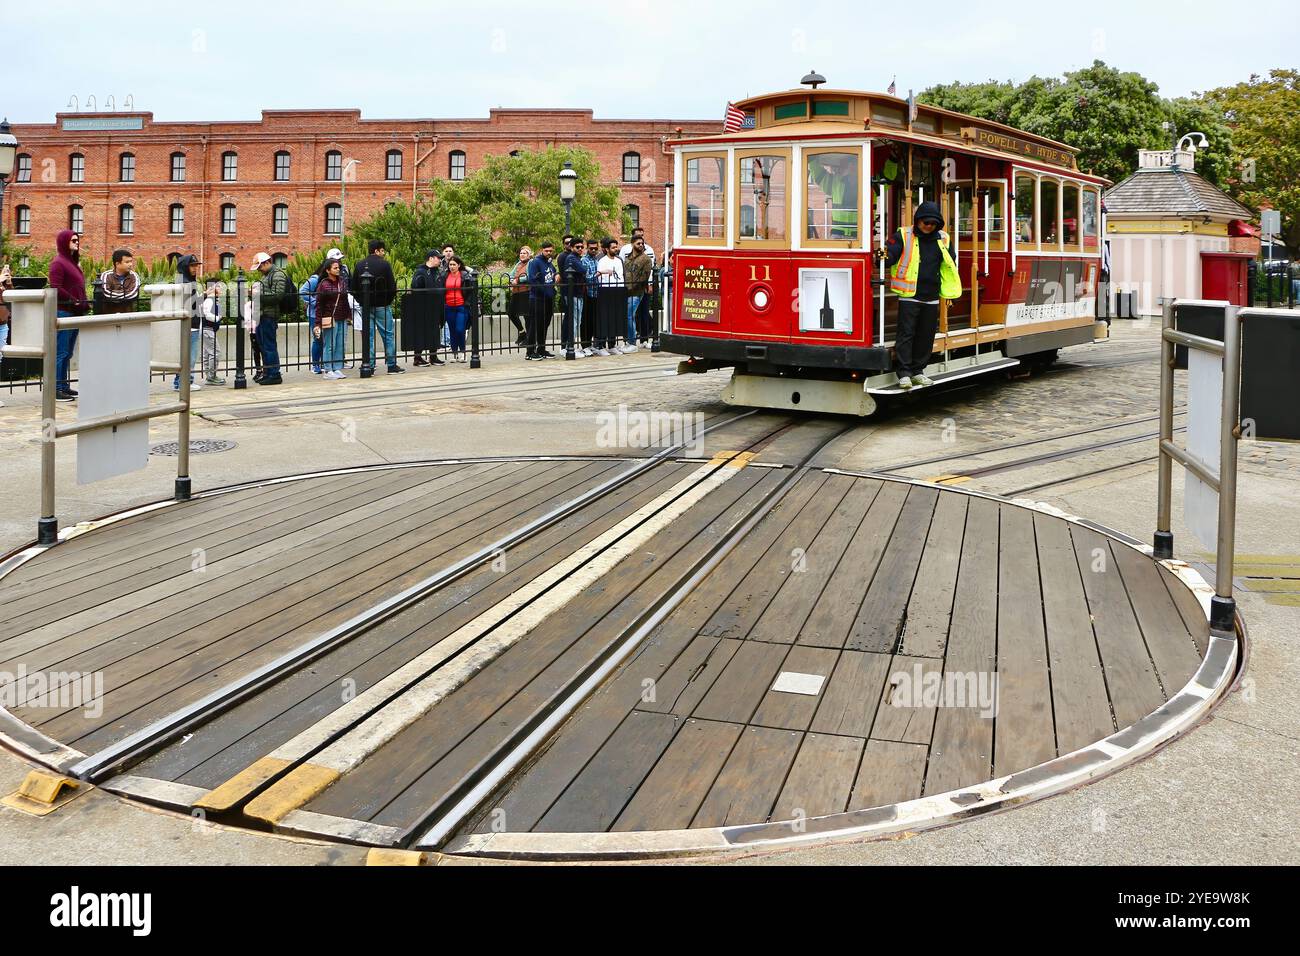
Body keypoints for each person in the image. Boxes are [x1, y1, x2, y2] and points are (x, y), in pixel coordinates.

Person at [880, 200, 962, 389]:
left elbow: (950, 265)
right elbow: (890, 252)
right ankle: (904, 373)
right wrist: (884, 257)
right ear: (918, 221)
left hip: (932, 295)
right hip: (909, 294)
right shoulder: (903, 234)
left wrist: (951, 292)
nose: (929, 226)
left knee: (926, 336)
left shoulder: (943, 238)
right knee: (906, 334)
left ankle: (918, 371)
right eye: (926, 222)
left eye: (933, 223)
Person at [48, 229, 88, 401]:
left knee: (68, 353)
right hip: (64, 311)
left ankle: (64, 385)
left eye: (77, 240)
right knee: (61, 352)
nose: (76, 242)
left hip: (74, 312)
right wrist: (73, 300)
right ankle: (57, 388)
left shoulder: (72, 262)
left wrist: (82, 302)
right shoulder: (58, 262)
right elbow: (55, 286)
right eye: (73, 240)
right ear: (64, 242)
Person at [354, 239, 401, 373]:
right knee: (388, 335)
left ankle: (369, 365)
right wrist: (387, 301)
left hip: (366, 306)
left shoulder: (359, 265)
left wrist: (362, 301)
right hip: (382, 305)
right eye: (382, 251)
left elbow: (353, 288)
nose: (384, 253)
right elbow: (392, 287)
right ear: (377, 251)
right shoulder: (384, 265)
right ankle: (391, 365)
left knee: (368, 336)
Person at [250, 252, 287, 385]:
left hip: (268, 315)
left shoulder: (277, 274)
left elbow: (278, 296)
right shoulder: (268, 275)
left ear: (267, 263)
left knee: (269, 346)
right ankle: (268, 373)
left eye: (260, 267)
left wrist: (257, 294)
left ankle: (274, 374)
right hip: (262, 314)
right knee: (264, 345)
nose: (259, 270)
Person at [314, 258, 351, 379]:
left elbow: (345, 300)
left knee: (340, 344)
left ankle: (337, 367)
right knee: (329, 344)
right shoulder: (323, 284)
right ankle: (328, 369)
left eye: (338, 267)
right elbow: (319, 305)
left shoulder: (342, 282)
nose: (338, 270)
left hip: (342, 316)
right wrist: (318, 323)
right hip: (330, 317)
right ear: (328, 270)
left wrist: (349, 315)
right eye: (335, 268)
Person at [172, 253, 204, 391]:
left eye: (196, 265)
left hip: (190, 323)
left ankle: (180, 382)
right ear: (185, 266)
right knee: (189, 356)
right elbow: (190, 304)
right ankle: (184, 383)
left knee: (186, 355)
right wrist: (207, 294)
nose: (195, 268)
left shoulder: (185, 280)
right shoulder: (185, 282)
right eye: (192, 265)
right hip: (190, 324)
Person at [408, 249, 445, 366]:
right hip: (423, 306)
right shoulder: (420, 271)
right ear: (431, 258)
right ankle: (417, 358)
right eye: (438, 258)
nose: (440, 260)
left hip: (436, 305)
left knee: (435, 330)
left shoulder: (437, 272)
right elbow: (415, 288)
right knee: (421, 332)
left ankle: (433, 356)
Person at [525, 241, 557, 360]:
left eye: (550, 251)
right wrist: (546, 291)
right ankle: (530, 351)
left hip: (548, 298)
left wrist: (557, 274)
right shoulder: (535, 262)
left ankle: (541, 349)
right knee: (535, 325)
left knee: (545, 324)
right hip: (537, 298)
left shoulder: (548, 262)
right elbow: (533, 281)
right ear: (541, 250)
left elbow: (553, 272)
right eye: (546, 251)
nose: (549, 253)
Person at [593, 237, 625, 356]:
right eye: (613, 247)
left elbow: (621, 276)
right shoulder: (602, 261)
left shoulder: (618, 260)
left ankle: (612, 344)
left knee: (614, 318)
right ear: (607, 249)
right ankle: (601, 345)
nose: (615, 249)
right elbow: (600, 276)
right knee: (605, 318)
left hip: (618, 290)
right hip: (605, 290)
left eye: (616, 247)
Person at [442, 255, 477, 362]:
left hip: (461, 306)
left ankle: (462, 352)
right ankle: (454, 353)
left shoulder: (465, 275)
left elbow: (471, 291)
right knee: (452, 331)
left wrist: (467, 302)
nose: (452, 267)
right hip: (449, 307)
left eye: (454, 264)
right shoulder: (445, 275)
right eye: (450, 264)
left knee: (460, 329)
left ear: (459, 265)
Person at [622, 236, 652, 352]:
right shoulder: (627, 259)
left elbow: (644, 277)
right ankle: (629, 341)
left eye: (642, 243)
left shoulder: (646, 259)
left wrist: (631, 287)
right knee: (628, 316)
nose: (641, 245)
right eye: (638, 243)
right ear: (632, 244)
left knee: (629, 315)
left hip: (637, 292)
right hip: (626, 292)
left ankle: (632, 343)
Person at [559, 237, 586, 356]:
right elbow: (583, 270)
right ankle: (570, 347)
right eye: (577, 247)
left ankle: (570, 346)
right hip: (572, 293)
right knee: (573, 321)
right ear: (571, 247)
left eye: (581, 247)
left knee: (577, 320)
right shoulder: (571, 258)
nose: (580, 249)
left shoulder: (577, 258)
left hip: (578, 293)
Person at [94, 249, 141, 316]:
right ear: (117, 264)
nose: (130, 264)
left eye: (131, 261)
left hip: (128, 315)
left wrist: (114, 297)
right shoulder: (106, 275)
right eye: (127, 262)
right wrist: (124, 295)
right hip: (109, 315)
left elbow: (133, 294)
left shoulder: (134, 276)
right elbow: (106, 293)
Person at [200, 280, 225, 385]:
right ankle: (211, 376)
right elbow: (207, 314)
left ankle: (209, 376)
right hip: (208, 330)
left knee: (208, 353)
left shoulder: (213, 300)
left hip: (208, 330)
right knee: (215, 352)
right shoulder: (210, 300)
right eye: (218, 287)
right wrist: (218, 318)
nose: (221, 289)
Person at [507, 246, 531, 347]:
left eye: (524, 253)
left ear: (529, 255)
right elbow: (511, 275)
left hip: (526, 292)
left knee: (527, 316)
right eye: (521, 253)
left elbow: (530, 276)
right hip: (516, 292)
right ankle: (522, 333)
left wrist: (518, 280)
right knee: (511, 313)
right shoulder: (518, 264)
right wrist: (511, 280)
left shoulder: (531, 263)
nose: (522, 255)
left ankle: (529, 339)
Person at [580, 239, 601, 355]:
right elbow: (586, 278)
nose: (593, 250)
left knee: (593, 321)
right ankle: (585, 344)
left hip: (597, 294)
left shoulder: (597, 260)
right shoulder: (584, 260)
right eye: (591, 248)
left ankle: (592, 344)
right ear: (587, 248)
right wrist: (598, 274)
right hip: (587, 294)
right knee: (586, 321)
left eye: (595, 248)